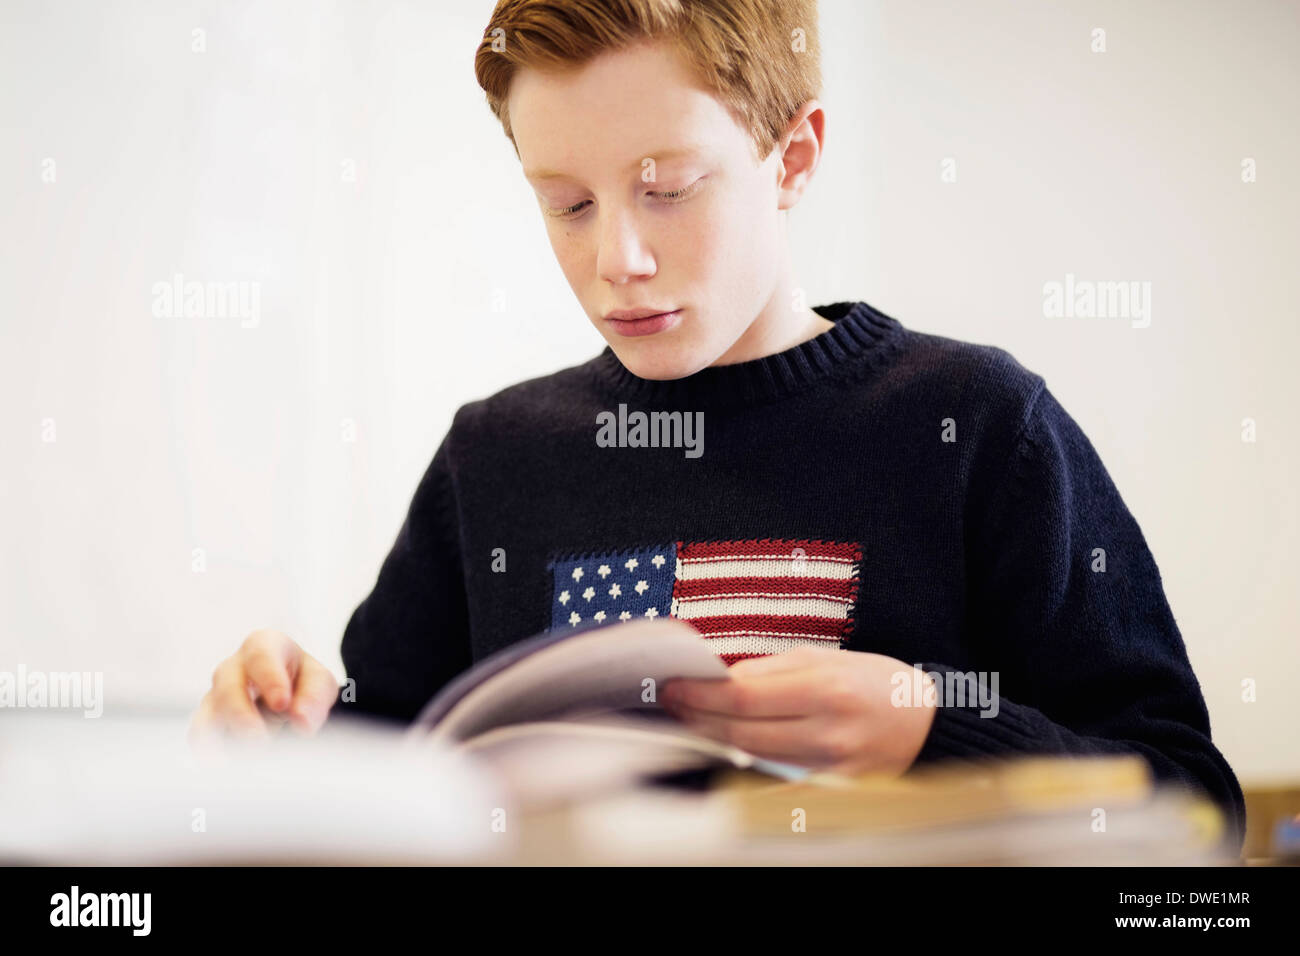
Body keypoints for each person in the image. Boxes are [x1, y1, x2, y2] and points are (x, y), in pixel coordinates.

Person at [190, 0, 1245, 853]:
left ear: (792, 159)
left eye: (668, 188)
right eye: (566, 204)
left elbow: (1196, 805)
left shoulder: (976, 423)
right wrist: (288, 730)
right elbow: (381, 782)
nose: (618, 259)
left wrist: (934, 725)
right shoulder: (494, 456)